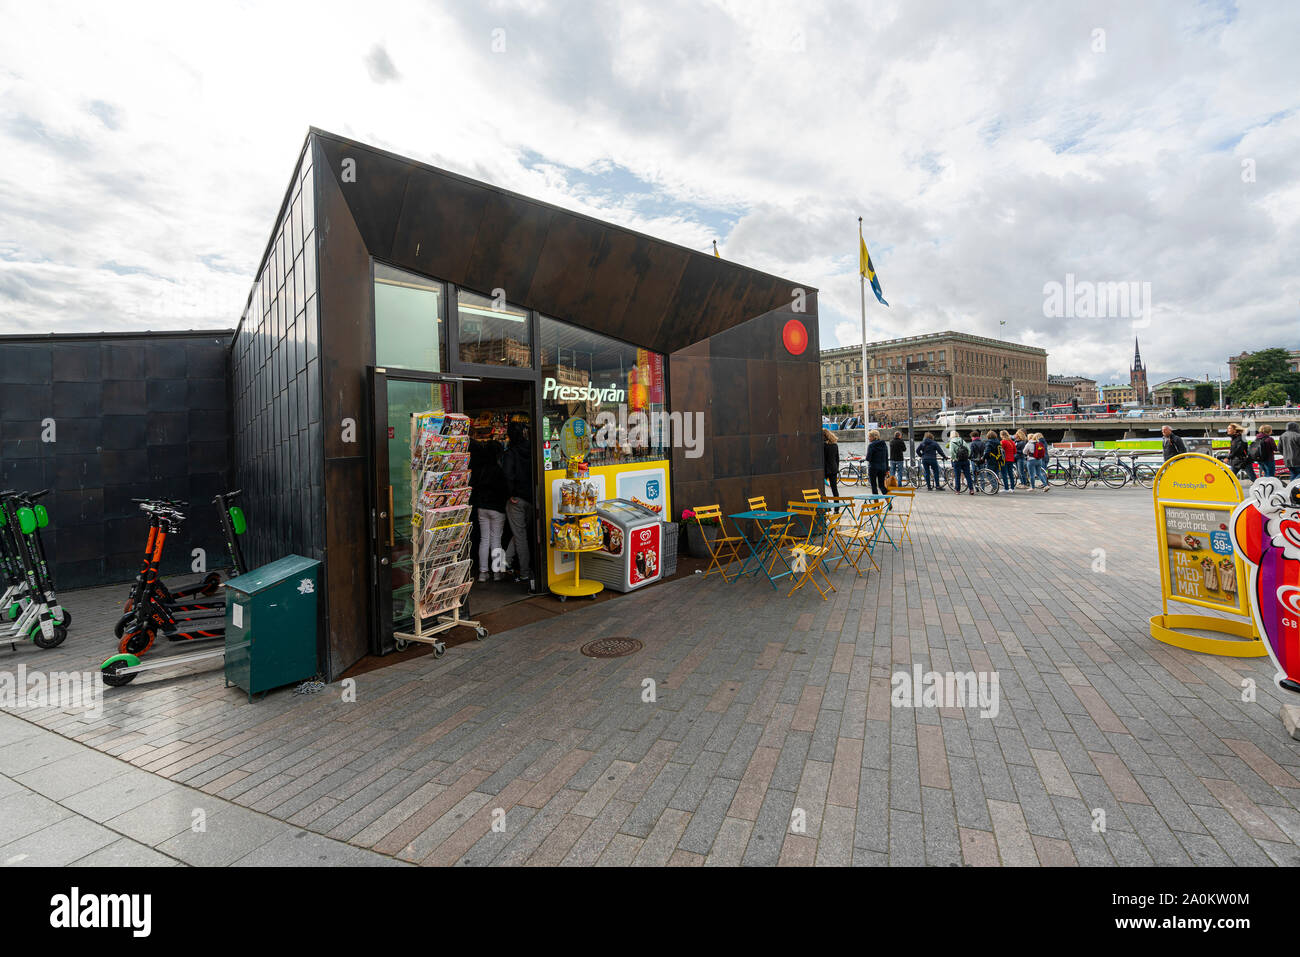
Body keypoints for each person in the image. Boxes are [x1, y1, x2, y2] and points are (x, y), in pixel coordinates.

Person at [470, 438, 510, 582]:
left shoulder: (481, 469)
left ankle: (482, 573)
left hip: (482, 507)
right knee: (496, 540)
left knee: (484, 539)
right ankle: (497, 573)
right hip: (497, 508)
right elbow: (504, 489)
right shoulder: (498, 470)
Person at [502, 421, 534, 586]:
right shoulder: (532, 449)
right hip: (531, 498)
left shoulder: (511, 453)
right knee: (520, 532)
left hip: (517, 500)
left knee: (520, 536)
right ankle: (505, 561)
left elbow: (507, 475)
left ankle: (525, 573)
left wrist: (511, 494)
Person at [865, 429, 890, 495]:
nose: (868, 438)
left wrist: (865, 457)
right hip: (883, 468)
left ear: (873, 437)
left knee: (874, 486)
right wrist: (887, 469)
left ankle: (876, 504)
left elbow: (868, 458)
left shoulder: (871, 445)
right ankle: (889, 502)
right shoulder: (884, 445)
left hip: (873, 467)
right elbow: (886, 458)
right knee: (882, 486)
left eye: (869, 436)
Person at [949, 430, 974, 495]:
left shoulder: (952, 442)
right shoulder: (963, 441)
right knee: (968, 475)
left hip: (957, 461)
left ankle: (957, 491)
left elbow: (951, 451)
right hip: (965, 460)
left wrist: (955, 458)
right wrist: (967, 457)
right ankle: (971, 490)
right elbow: (969, 450)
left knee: (957, 476)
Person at [823, 428, 840, 497]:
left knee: (822, 489)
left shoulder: (823, 446)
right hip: (833, 469)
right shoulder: (834, 445)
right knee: (834, 488)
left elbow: (823, 459)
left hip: (825, 470)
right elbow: (837, 459)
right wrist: (837, 468)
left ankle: (827, 506)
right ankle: (837, 506)